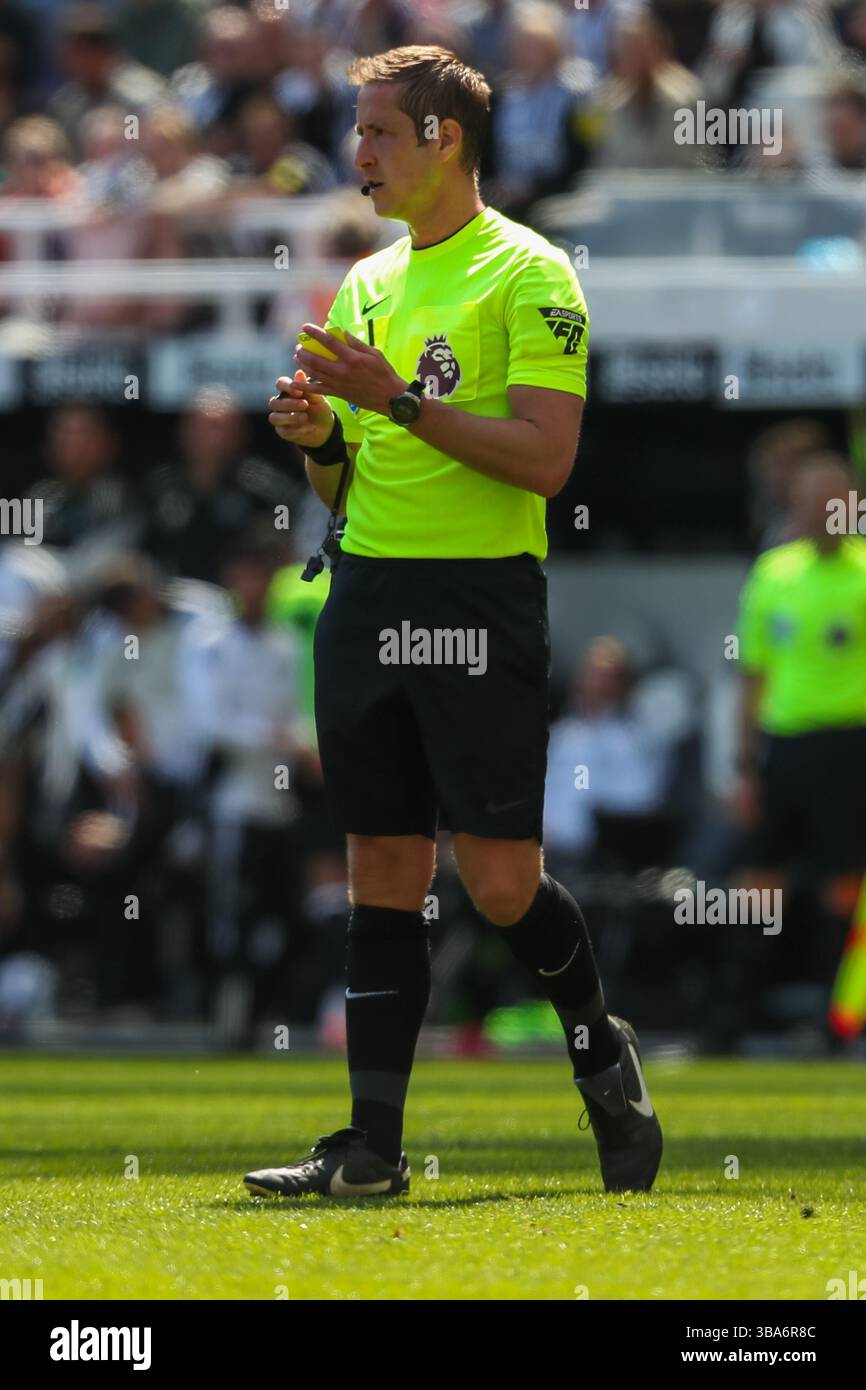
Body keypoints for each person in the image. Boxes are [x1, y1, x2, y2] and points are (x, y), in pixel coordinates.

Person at [245, 43, 662, 1200]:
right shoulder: (364, 283)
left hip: (480, 599)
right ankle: (369, 1152)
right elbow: (353, 483)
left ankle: (596, 1046)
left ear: (442, 139)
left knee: (497, 882)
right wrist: (324, 442)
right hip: (366, 591)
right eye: (357, 131)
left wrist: (394, 401)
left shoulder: (527, 274)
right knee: (379, 863)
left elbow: (546, 461)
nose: (358, 153)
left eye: (378, 132)